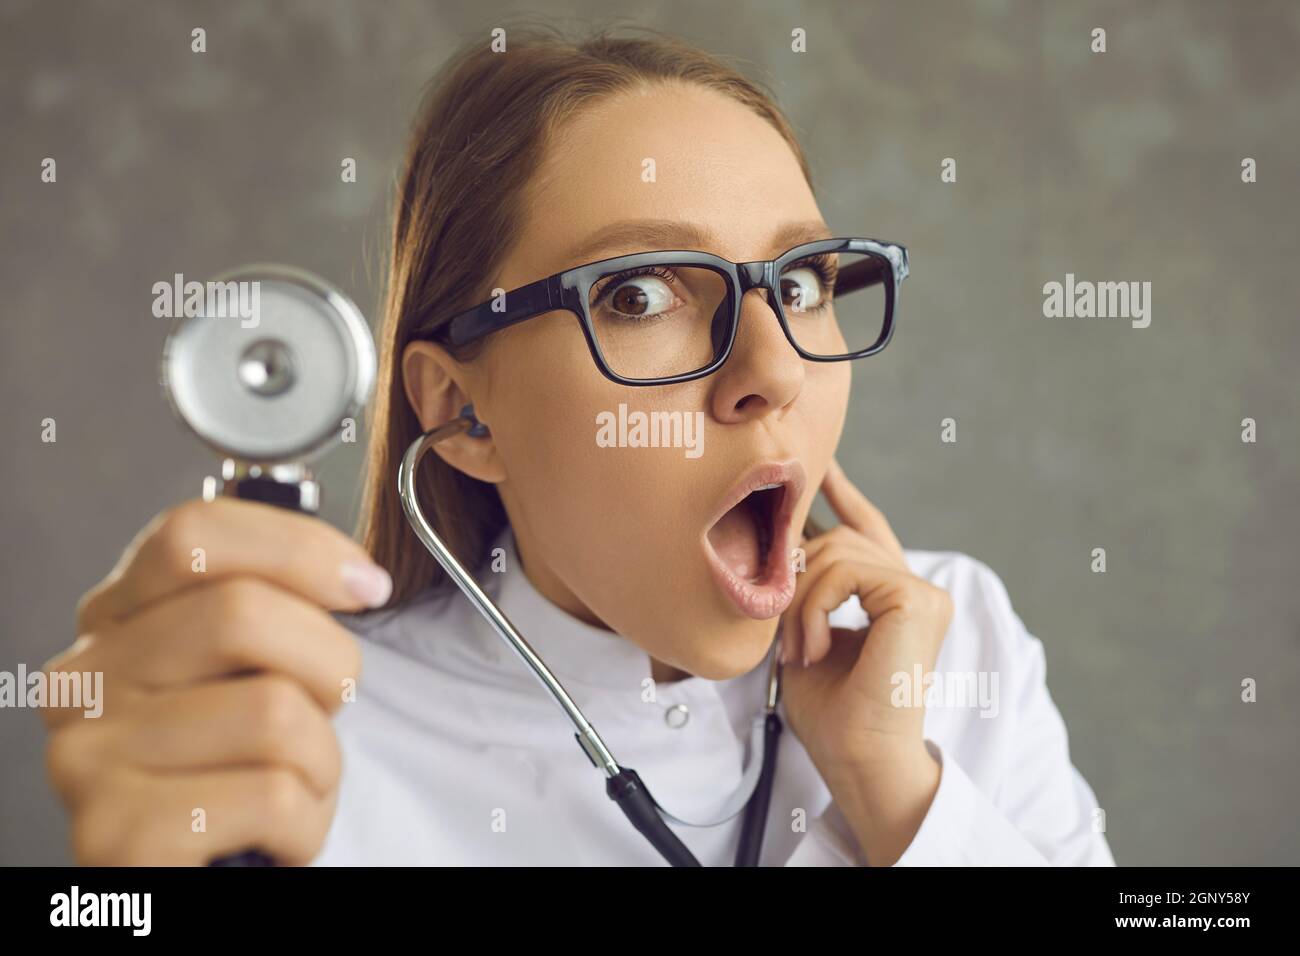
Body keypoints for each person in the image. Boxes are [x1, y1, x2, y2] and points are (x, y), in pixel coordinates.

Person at [40, 22, 1115, 866]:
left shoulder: (955, 643)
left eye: (796, 282)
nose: (773, 370)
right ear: (464, 412)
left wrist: (894, 790)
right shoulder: (292, 726)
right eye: (640, 290)